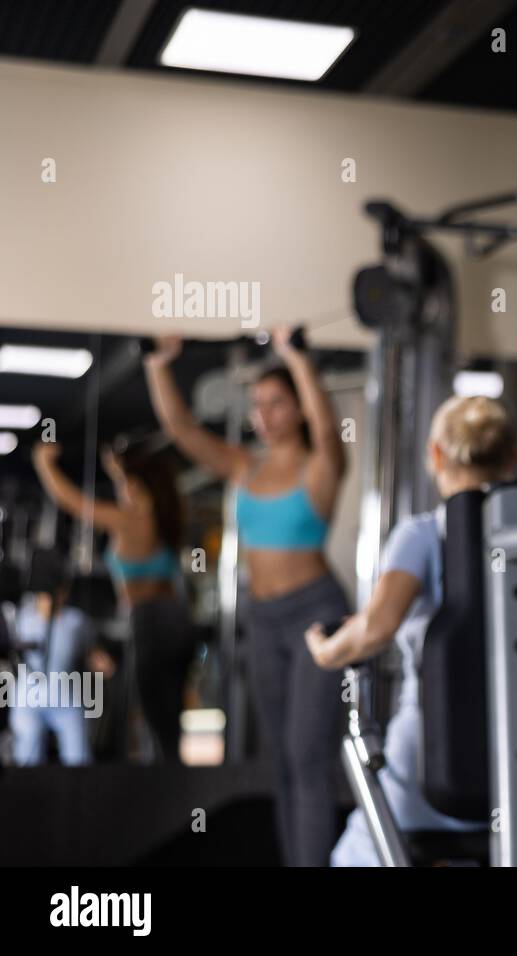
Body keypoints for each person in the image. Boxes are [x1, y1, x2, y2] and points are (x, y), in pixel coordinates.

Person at [144, 327, 349, 866]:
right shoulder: (246, 466)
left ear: (299, 407)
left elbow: (327, 430)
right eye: (258, 404)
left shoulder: (320, 465)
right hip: (264, 618)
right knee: (280, 759)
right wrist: (157, 365)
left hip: (316, 614)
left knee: (307, 756)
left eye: (276, 403)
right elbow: (181, 429)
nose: (265, 414)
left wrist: (295, 357)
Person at [304, 395, 517, 865]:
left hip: (433, 767)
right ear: (512, 458)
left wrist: (325, 651)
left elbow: (375, 629)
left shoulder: (420, 535)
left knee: (350, 859)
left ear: (436, 455)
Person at [33, 440, 193, 762]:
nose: (123, 490)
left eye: (129, 484)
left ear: (143, 488)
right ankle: (171, 784)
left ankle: (164, 788)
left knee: (152, 716)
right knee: (165, 718)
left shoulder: (132, 520)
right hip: (174, 618)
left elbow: (74, 503)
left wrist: (44, 463)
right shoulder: (162, 518)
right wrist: (119, 468)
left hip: (151, 620)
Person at [8, 548, 98, 766]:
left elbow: (92, 654)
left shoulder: (76, 622)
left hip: (64, 695)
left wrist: (98, 661)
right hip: (29, 695)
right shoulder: (19, 619)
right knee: (26, 750)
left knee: (78, 756)